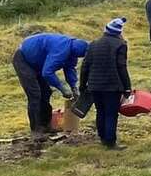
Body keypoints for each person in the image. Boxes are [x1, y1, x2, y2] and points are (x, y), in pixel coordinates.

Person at [12, 31, 89, 142]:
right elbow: (47, 72)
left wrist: (74, 87)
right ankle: (36, 130)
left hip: (37, 62)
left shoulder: (72, 52)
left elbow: (70, 69)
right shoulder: (61, 49)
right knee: (35, 94)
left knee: (46, 92)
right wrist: (61, 87)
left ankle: (45, 125)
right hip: (24, 60)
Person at [78, 17, 132, 150]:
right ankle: (110, 142)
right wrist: (127, 88)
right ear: (119, 32)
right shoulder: (121, 45)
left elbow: (85, 66)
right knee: (111, 113)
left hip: (94, 85)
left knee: (100, 111)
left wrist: (82, 85)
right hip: (112, 85)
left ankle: (102, 138)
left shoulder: (94, 44)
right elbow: (121, 67)